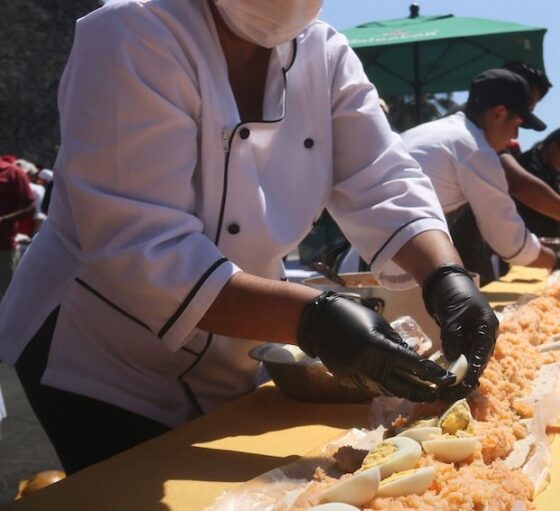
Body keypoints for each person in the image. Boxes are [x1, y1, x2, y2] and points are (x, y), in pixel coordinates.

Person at [0, 0, 499, 474]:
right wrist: (314, 320)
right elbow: (140, 247)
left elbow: (382, 176)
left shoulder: (325, 53)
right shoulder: (134, 33)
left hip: (233, 348)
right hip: (100, 355)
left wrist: (445, 277)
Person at [402, 69, 560, 286]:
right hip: (393, 273)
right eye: (517, 125)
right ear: (499, 114)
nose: (516, 136)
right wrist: (558, 260)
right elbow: (509, 242)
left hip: (370, 259)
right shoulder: (475, 149)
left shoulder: (437, 130)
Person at [514, 128, 560, 237]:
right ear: (553, 147)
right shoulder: (528, 164)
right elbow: (544, 201)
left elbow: (558, 199)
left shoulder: (550, 169)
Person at [0, 157, 35, 297]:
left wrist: (2, 220)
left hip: (3, 247)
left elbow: (30, 207)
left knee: (4, 297)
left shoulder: (13, 172)